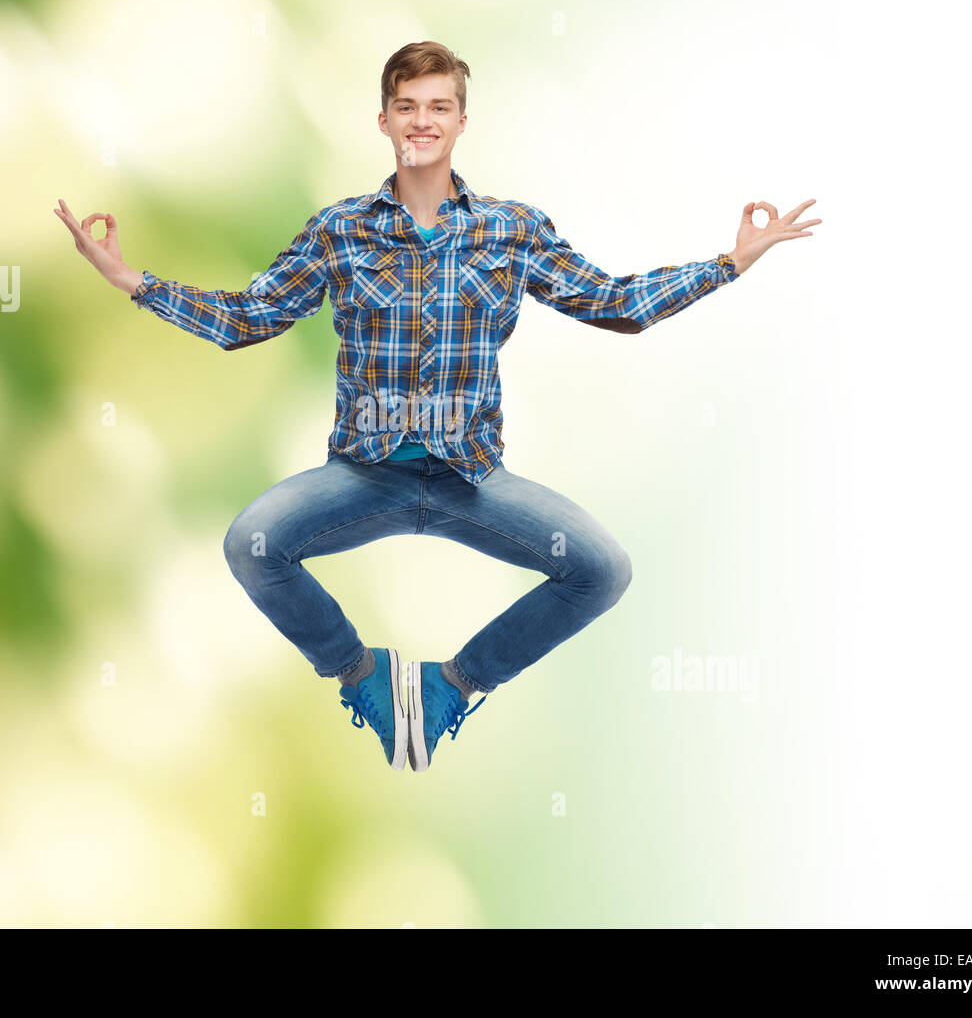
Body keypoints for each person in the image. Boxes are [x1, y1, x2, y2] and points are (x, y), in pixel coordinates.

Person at [54, 41, 820, 773]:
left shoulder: (510, 230)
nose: (423, 120)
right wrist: (136, 283)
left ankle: (452, 688)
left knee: (602, 571)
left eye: (439, 106)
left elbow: (614, 304)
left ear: (460, 123)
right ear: (384, 121)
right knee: (252, 544)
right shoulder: (340, 230)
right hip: (364, 477)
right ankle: (365, 680)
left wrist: (728, 264)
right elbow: (251, 317)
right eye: (407, 105)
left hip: (472, 483)